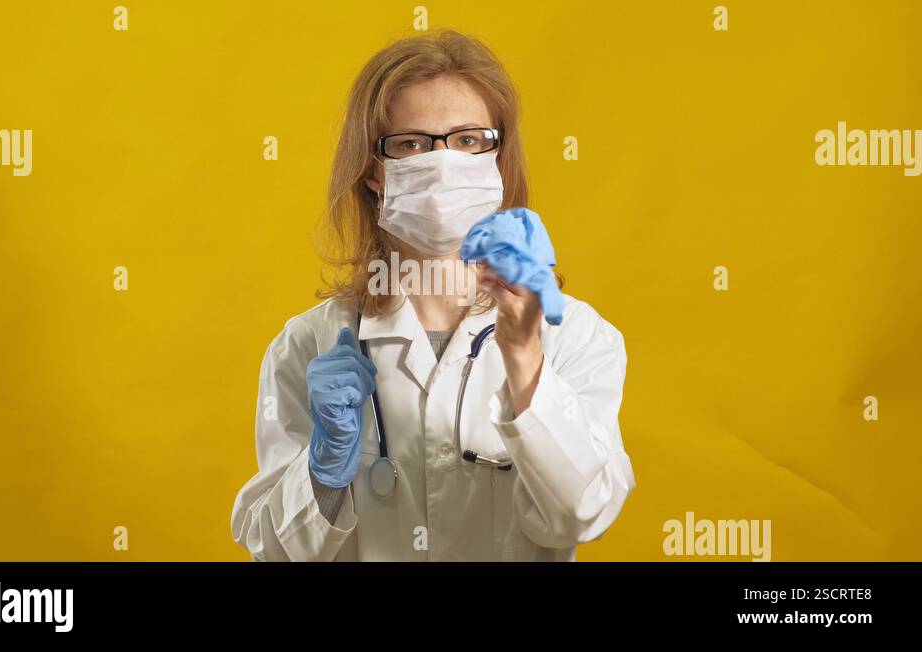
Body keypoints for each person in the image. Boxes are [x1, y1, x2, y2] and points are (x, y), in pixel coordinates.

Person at [230, 29, 635, 561]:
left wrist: (526, 365)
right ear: (375, 170)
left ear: (498, 155)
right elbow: (273, 552)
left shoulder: (575, 337)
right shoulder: (310, 345)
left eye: (468, 140)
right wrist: (323, 471)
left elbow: (583, 515)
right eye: (412, 144)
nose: (443, 163)